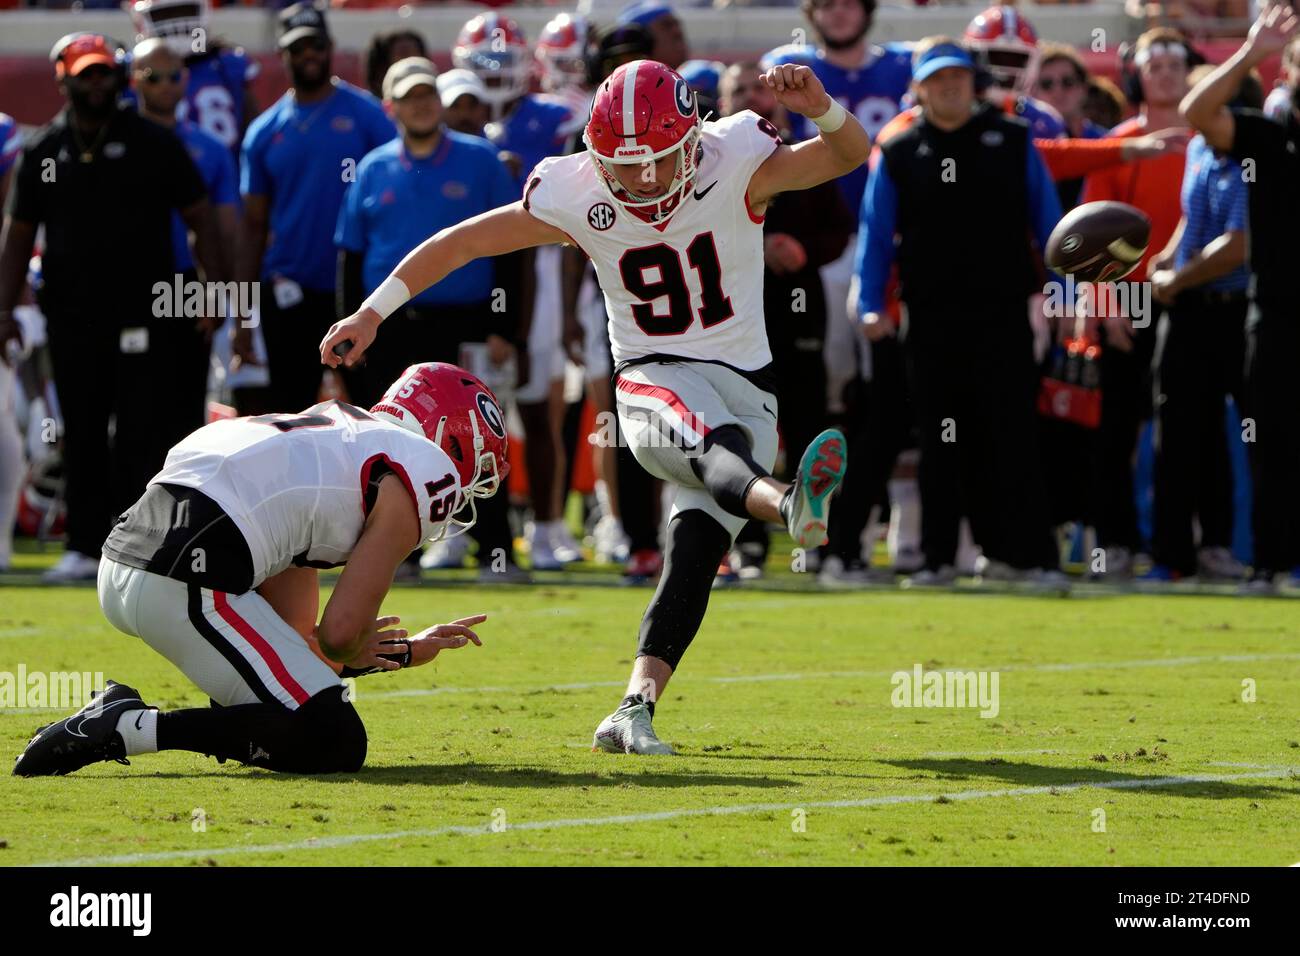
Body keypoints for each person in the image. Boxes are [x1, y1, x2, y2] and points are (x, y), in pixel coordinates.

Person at [322, 59, 863, 754]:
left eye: (656, 162)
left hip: (749, 383)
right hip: (649, 376)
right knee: (707, 437)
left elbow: (849, 154)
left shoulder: (739, 159)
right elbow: (463, 241)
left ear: (692, 141)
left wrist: (820, 106)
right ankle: (788, 504)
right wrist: (373, 313)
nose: (639, 180)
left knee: (693, 554)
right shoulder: (576, 190)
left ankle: (633, 708)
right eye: (622, 165)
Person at [13, 363, 503, 777]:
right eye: (475, 465)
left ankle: (121, 722)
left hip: (131, 562)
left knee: (274, 709)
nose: (468, 485)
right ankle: (124, 727)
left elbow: (303, 646)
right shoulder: (416, 468)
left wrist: (402, 652)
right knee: (334, 739)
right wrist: (353, 644)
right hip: (183, 574)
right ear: (447, 440)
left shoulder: (330, 444)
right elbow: (338, 635)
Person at [0, 32, 221, 584]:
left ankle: (141, 545)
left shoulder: (153, 142)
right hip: (73, 315)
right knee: (81, 428)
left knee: (144, 431)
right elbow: (18, 232)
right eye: (85, 74)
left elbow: (202, 218)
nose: (96, 83)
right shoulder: (45, 149)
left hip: (151, 312)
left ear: (118, 76)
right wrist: (3, 311)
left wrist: (215, 294)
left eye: (103, 73)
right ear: (63, 79)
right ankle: (83, 544)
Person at [856, 39, 1062, 583]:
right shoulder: (898, 151)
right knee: (939, 439)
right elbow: (875, 236)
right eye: (936, 78)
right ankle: (939, 559)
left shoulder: (1015, 141)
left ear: (974, 83)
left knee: (1012, 434)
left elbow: (1052, 226)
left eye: (958, 77)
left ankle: (1027, 557)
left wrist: (1066, 291)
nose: (949, 86)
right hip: (929, 318)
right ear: (918, 88)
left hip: (1002, 313)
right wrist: (870, 301)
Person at [336, 57, 522, 582]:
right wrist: (352, 328)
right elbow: (351, 256)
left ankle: (494, 550)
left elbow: (513, 250)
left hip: (465, 318)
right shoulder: (372, 167)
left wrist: (504, 325)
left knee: (484, 434)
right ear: (390, 105)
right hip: (391, 324)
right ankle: (400, 553)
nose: (421, 103)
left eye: (427, 93)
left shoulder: (480, 159)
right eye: (409, 95)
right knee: (392, 437)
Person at [453, 12, 581, 570]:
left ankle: (549, 524)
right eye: (485, 63)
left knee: (535, 400)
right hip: (469, 269)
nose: (495, 74)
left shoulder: (554, 118)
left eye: (504, 62)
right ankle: (458, 526)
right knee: (467, 409)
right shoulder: (452, 115)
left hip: (543, 264)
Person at [719, 61, 855, 582]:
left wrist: (800, 248)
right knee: (740, 426)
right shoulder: (704, 161)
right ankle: (744, 545)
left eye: (758, 86)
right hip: (732, 313)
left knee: (805, 421)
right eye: (739, 89)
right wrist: (759, 243)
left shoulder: (801, 156)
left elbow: (839, 229)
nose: (752, 96)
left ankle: (819, 542)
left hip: (797, 305)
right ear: (722, 100)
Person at [1182, 1, 1300, 592]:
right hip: (1277, 312)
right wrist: (1252, 51)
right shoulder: (1269, 136)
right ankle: (1272, 564)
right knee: (1271, 442)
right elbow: (1196, 109)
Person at [236, 1, 395, 415]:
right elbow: (252, 228)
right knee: (289, 417)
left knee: (375, 411)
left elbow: (402, 185)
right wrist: (239, 317)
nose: (309, 55)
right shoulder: (264, 132)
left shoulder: (368, 116)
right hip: (290, 292)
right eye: (298, 47)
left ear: (330, 47)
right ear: (283, 54)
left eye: (316, 45)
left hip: (359, 291)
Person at [1080, 27, 1194, 579]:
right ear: (1137, 73)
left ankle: (1195, 547)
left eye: (1176, 62)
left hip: (1199, 292)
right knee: (1117, 430)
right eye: (1156, 63)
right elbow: (1091, 230)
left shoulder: (1212, 137)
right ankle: (1115, 544)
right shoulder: (1120, 142)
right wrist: (1105, 298)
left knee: (1190, 429)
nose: (1167, 72)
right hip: (1129, 295)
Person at [129, 0, 260, 153]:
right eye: (165, 14)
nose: (177, 22)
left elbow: (253, 133)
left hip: (218, 169)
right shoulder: (133, 70)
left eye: (185, 11)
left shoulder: (227, 65)